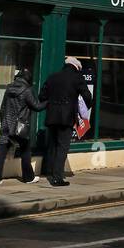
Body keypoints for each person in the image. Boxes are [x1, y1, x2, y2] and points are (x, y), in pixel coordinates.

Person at [39, 56, 91, 187]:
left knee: (53, 145)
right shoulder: (77, 78)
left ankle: (48, 170)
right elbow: (87, 96)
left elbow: (42, 96)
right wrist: (84, 107)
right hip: (66, 117)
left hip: (51, 116)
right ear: (76, 67)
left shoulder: (52, 77)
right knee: (62, 147)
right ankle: (57, 177)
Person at [0, 68, 43, 185]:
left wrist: (3, 120)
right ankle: (28, 177)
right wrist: (48, 102)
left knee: (2, 151)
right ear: (28, 79)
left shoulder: (9, 88)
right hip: (20, 126)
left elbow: (3, 107)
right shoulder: (27, 90)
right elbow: (36, 107)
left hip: (6, 124)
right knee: (25, 151)